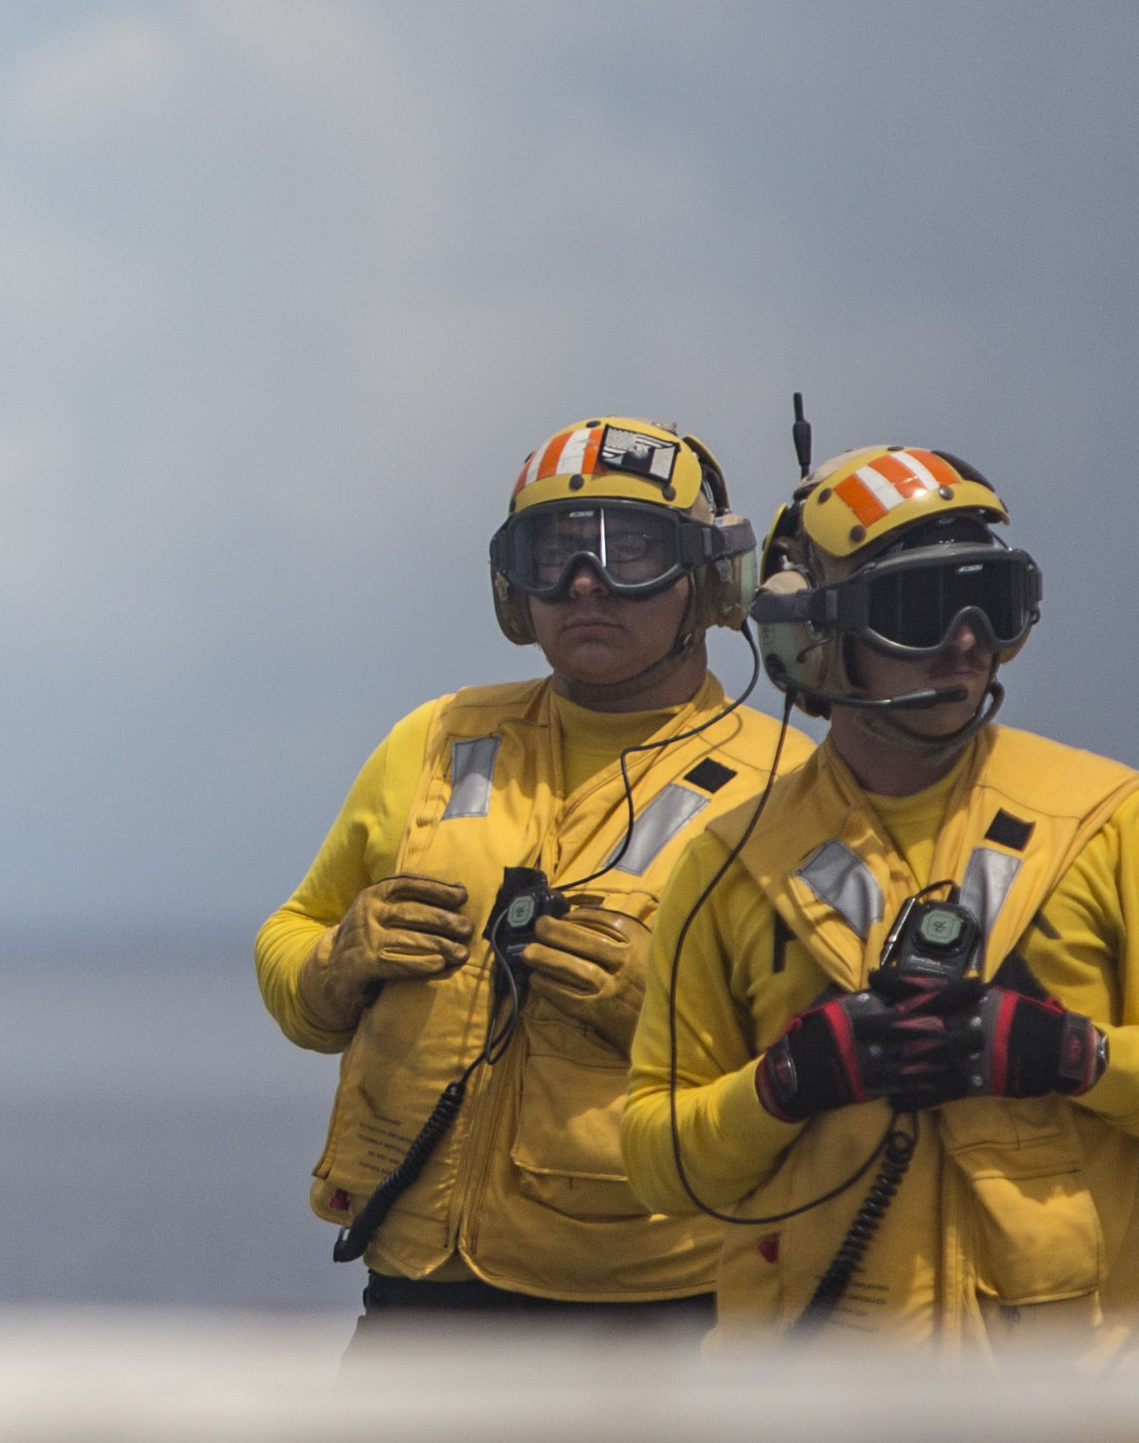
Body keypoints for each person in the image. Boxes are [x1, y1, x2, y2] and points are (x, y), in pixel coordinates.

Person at [620, 439, 1139, 1359]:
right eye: (924, 608)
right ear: (813, 633)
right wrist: (784, 1085)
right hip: (815, 1408)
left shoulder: (1112, 819)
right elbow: (657, 1158)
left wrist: (1077, 1055)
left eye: (992, 602)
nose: (968, 639)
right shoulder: (728, 865)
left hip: (1064, 1404)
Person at [258, 418, 805, 1340]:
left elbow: (832, 1059)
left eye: (628, 549)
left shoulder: (788, 787)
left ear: (709, 579)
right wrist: (332, 964)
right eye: (552, 553)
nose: (585, 582)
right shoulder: (433, 739)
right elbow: (295, 929)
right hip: (414, 1293)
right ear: (515, 588)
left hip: (654, 1315)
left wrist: (667, 1014)